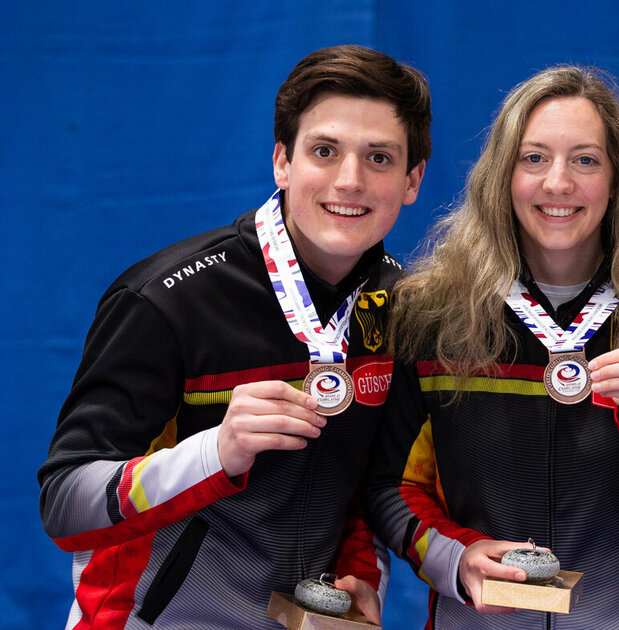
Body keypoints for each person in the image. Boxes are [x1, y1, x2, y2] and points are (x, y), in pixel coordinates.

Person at [38, 45, 430, 629]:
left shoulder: (406, 310)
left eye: (379, 158)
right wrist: (213, 453)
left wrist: (361, 580)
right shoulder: (168, 298)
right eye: (325, 151)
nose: (350, 181)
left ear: (411, 181)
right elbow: (65, 503)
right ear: (282, 162)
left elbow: (367, 486)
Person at [364, 65, 619, 629]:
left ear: (617, 178)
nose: (558, 183)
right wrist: (455, 558)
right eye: (534, 158)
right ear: (502, 176)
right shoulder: (435, 315)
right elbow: (391, 487)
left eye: (585, 159)